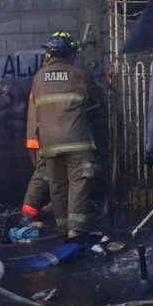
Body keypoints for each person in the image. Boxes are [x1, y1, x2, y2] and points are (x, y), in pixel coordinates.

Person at [30, 30, 98, 238]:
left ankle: (61, 226)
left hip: (48, 142)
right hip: (75, 140)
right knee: (79, 179)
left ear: (50, 54)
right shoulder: (79, 74)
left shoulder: (38, 77)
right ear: (70, 54)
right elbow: (93, 97)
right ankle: (75, 229)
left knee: (57, 183)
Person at [21, 67, 51, 227]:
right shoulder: (45, 83)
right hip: (43, 139)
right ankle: (28, 213)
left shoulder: (40, 81)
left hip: (38, 137)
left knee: (47, 174)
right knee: (44, 174)